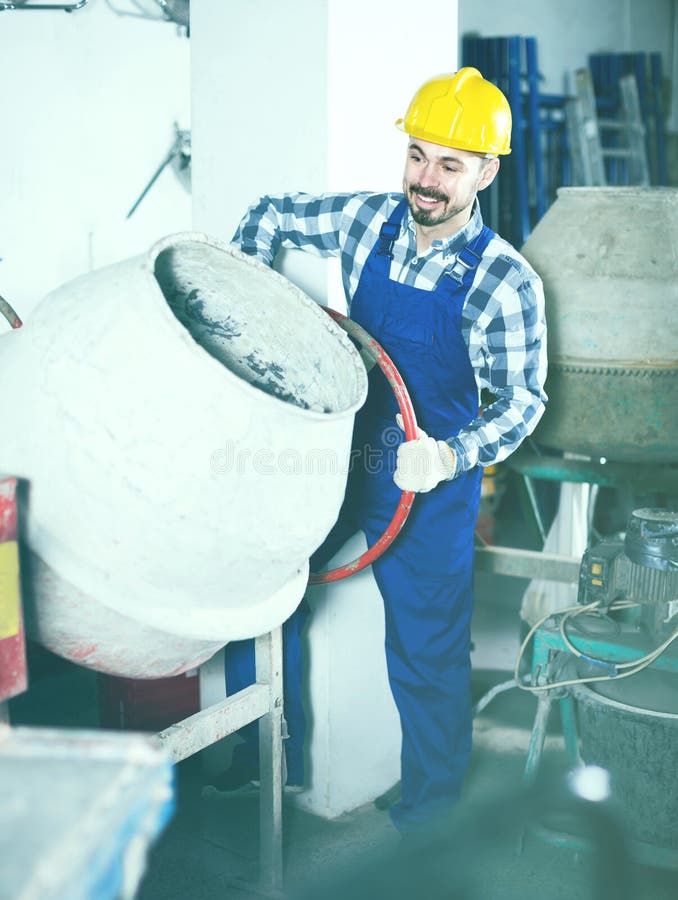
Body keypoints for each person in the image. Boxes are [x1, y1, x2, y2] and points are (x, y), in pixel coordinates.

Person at [207, 67, 548, 831]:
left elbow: (523, 402)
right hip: (345, 452)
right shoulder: (368, 220)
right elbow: (269, 214)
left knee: (427, 655)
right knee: (262, 580)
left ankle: (430, 816)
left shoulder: (504, 283)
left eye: (449, 166)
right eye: (418, 156)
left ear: (487, 172)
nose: (425, 181)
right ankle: (263, 756)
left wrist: (450, 456)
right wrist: (250, 302)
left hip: (427, 482)